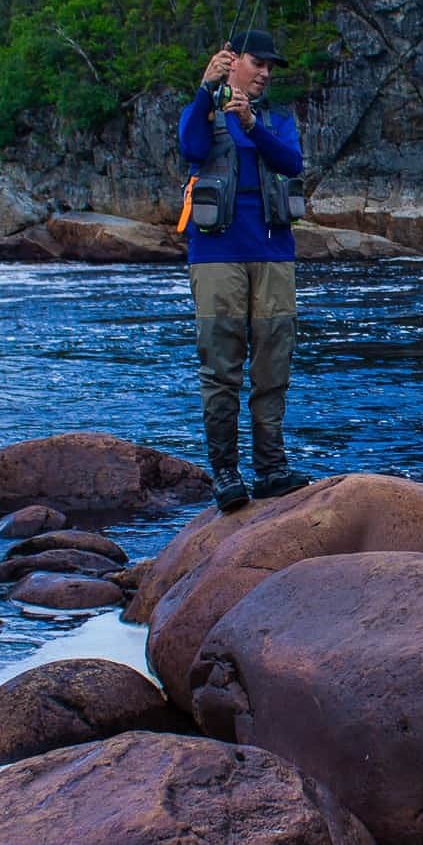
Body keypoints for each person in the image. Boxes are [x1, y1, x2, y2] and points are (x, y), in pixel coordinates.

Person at [178, 28, 309, 511]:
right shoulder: (203, 112)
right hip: (216, 255)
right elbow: (191, 148)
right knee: (221, 368)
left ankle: (272, 470)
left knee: (273, 366)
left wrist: (252, 124)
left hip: (274, 252)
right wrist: (202, 90)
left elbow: (291, 161)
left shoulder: (275, 118)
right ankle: (226, 473)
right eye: (259, 62)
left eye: (272, 66)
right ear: (231, 60)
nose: (266, 72)